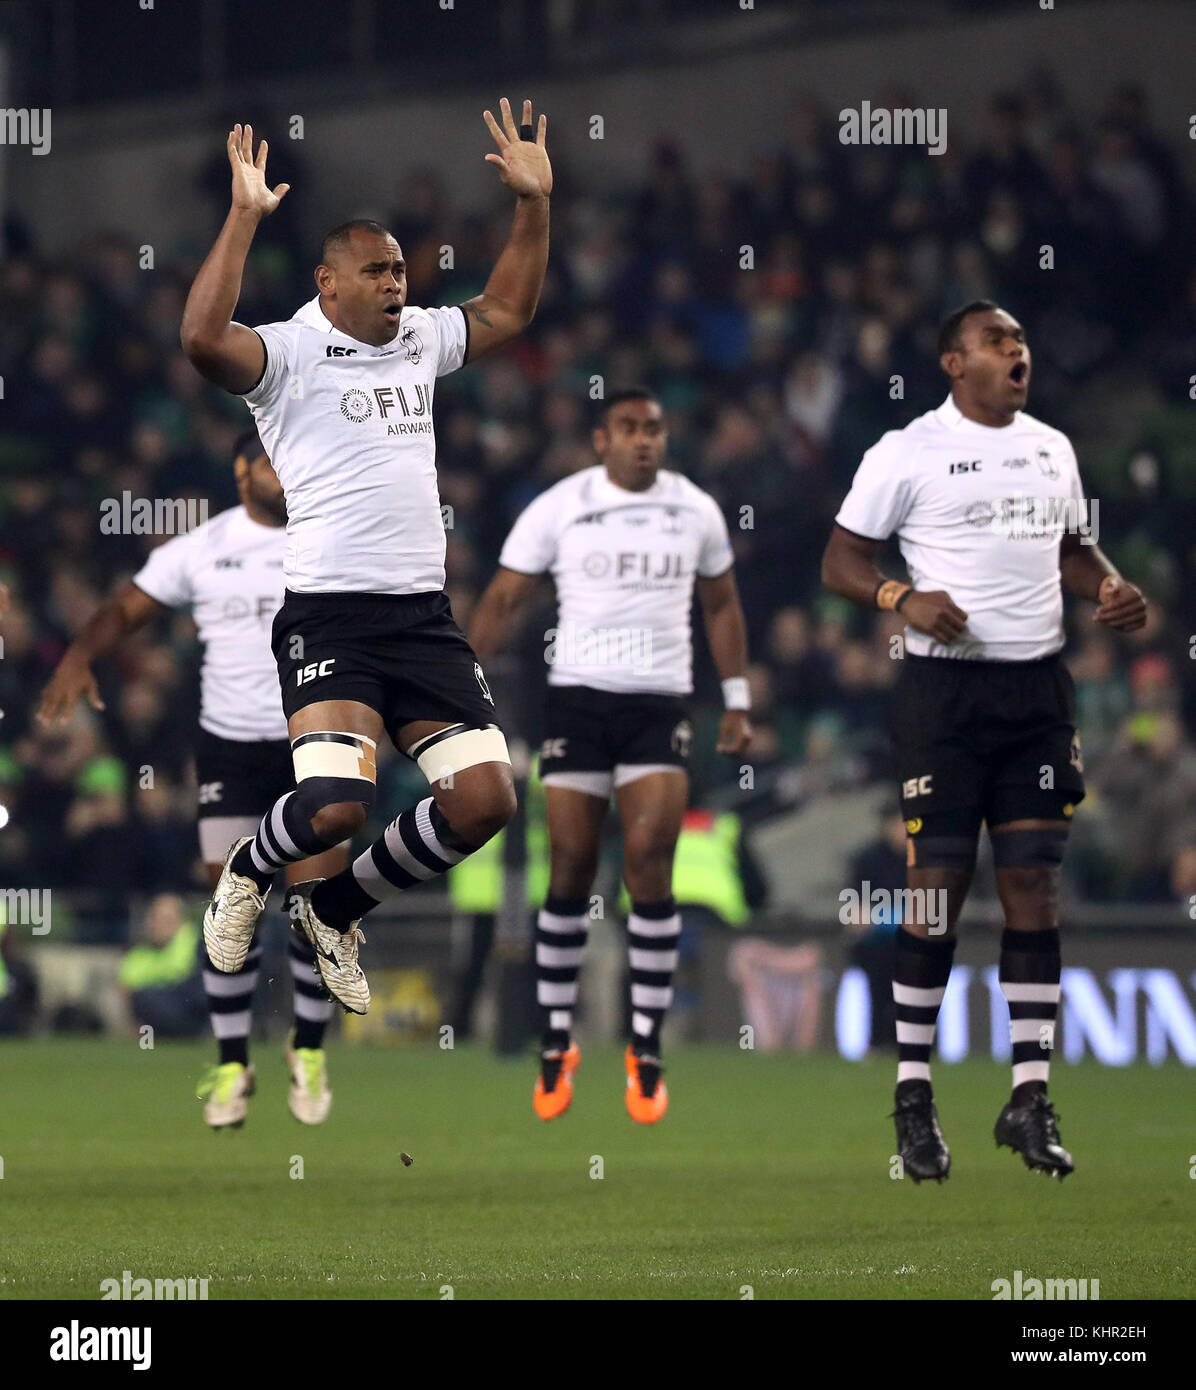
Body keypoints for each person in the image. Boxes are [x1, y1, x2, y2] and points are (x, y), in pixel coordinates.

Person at [179, 104, 551, 1016]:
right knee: (338, 809)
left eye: (399, 267)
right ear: (329, 281)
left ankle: (335, 911)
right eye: (376, 270)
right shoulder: (291, 355)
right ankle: (252, 866)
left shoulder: (422, 337)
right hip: (331, 617)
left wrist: (535, 205)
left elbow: (508, 307)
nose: (396, 282)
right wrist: (242, 218)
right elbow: (199, 339)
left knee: (486, 801)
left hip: (422, 619)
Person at [822, 299, 1147, 1182]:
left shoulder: (1052, 447)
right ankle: (915, 1097)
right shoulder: (905, 451)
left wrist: (1109, 586)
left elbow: (1073, 549)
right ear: (954, 364)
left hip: (1036, 689)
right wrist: (901, 599)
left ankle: (1029, 1098)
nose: (1017, 351)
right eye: (997, 341)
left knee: (1034, 885)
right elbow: (841, 561)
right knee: (935, 892)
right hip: (944, 694)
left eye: (1022, 340)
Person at [38, 433, 345, 1128]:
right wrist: (80, 655)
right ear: (242, 472)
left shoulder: (330, 540)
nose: (286, 472)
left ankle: (309, 1046)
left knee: (318, 906)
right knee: (229, 906)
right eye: (271, 461)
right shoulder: (202, 547)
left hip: (314, 740)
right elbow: (125, 608)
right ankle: (234, 1063)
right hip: (230, 749)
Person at [468, 388, 752, 1122]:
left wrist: (740, 698)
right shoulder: (561, 506)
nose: (643, 441)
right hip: (578, 701)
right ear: (602, 439)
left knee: (651, 857)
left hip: (659, 703)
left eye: (653, 429)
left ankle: (646, 1048)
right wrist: (460, 698)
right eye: (628, 429)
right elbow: (503, 598)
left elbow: (721, 604)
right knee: (569, 863)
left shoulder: (696, 510)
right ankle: (557, 1039)